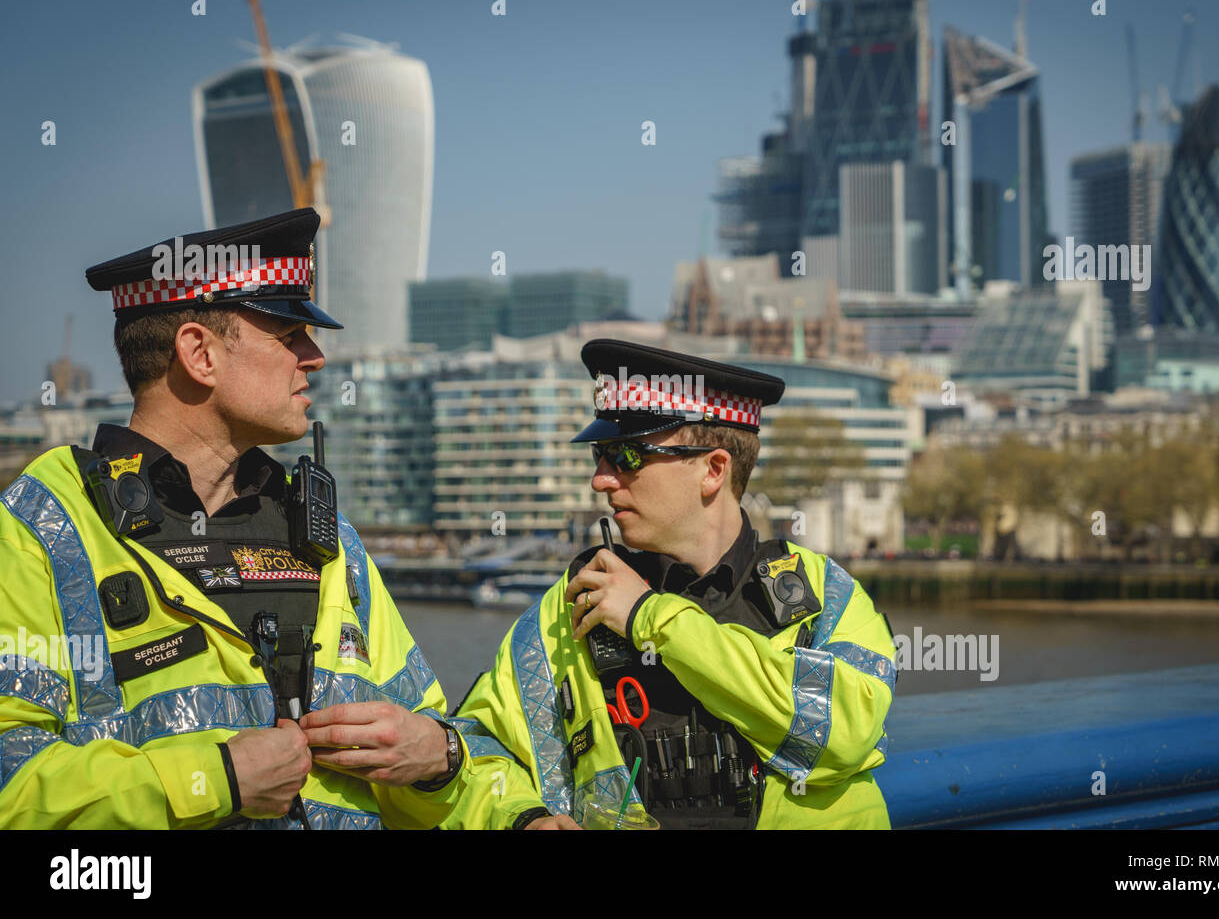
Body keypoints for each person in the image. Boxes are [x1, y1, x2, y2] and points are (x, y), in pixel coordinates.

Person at [0, 208, 529, 828]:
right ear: (199, 353)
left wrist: (444, 761)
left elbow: (428, 741)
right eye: (287, 333)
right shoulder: (44, 528)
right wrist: (212, 780)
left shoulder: (326, 537)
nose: (316, 357)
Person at [441, 339, 897, 829]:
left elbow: (842, 733)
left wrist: (651, 617)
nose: (600, 479)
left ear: (713, 470)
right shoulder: (577, 597)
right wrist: (522, 817)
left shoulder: (825, 596)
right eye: (600, 454)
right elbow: (475, 745)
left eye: (627, 456)